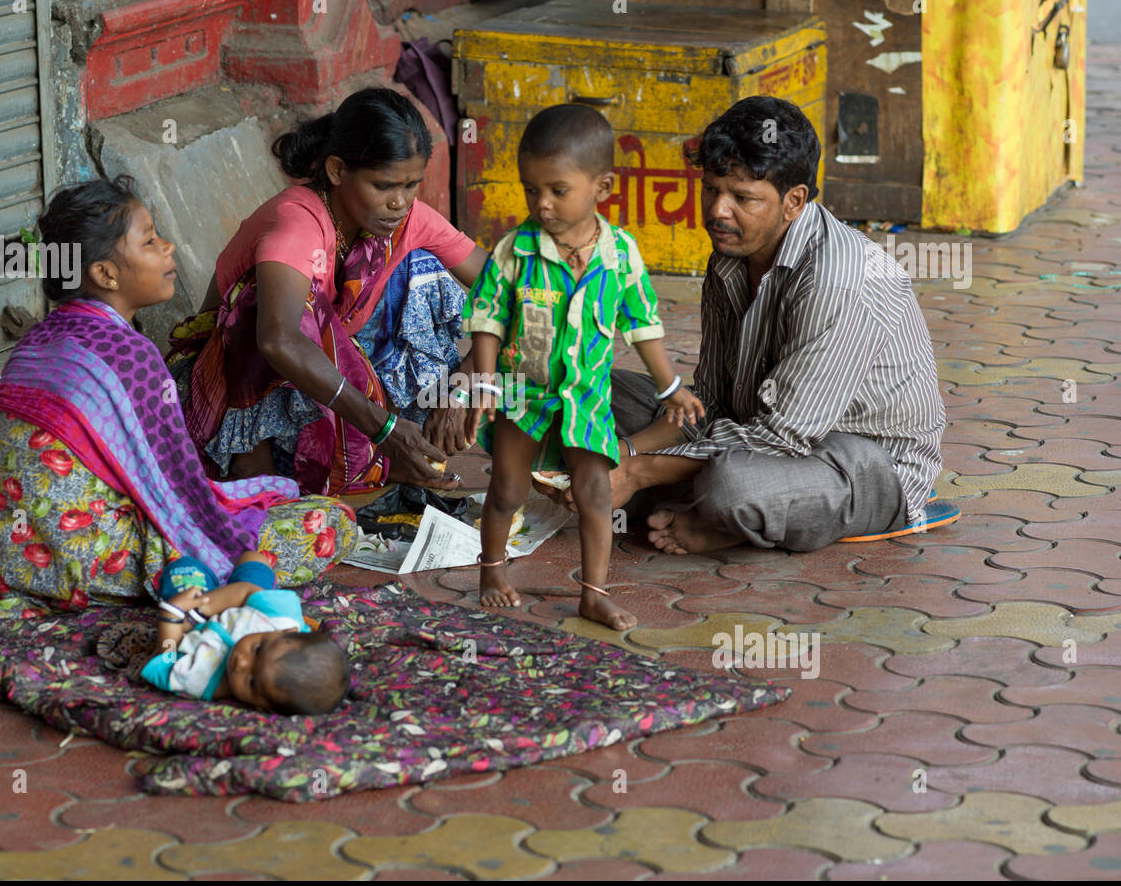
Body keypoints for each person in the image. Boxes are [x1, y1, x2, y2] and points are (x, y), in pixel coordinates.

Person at [0, 177, 360, 630]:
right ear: (107, 275)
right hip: (88, 564)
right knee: (326, 523)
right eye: (151, 241)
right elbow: (176, 493)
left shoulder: (35, 344)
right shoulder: (127, 356)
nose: (169, 248)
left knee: (249, 508)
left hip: (9, 561)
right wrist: (231, 540)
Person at [578, 96, 946, 554]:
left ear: (794, 201)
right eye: (711, 189)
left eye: (743, 198)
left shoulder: (840, 280)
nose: (717, 211)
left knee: (733, 485)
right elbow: (709, 398)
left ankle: (710, 512)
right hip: (751, 426)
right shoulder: (732, 254)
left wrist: (636, 469)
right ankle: (676, 496)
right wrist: (625, 452)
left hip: (858, 463)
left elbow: (785, 435)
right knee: (577, 389)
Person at [168, 87, 489, 495]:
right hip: (235, 384)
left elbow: (506, 293)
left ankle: (378, 453)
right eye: (384, 185)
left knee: (420, 267)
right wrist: (383, 428)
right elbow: (278, 340)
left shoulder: (406, 219)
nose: (400, 202)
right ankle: (257, 469)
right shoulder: (297, 222)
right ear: (337, 171)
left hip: (333, 370)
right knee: (273, 303)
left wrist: (463, 386)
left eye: (411, 186)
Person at [464, 105, 703, 631]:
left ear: (602, 186)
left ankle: (594, 594)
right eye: (531, 190)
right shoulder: (514, 250)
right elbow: (486, 318)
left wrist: (672, 389)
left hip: (585, 402)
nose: (542, 204)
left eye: (557, 190)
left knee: (595, 494)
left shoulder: (621, 255)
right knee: (506, 489)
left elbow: (644, 327)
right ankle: (493, 573)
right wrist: (482, 382)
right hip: (521, 398)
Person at [135, 551, 349, 714]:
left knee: (182, 568)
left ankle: (200, 580)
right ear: (286, 631)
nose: (241, 663)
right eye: (257, 650)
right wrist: (200, 611)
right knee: (252, 559)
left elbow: (166, 659)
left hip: (190, 625)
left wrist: (172, 618)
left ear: (261, 706)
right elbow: (246, 590)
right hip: (236, 603)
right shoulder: (280, 618)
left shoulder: (202, 681)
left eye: (252, 682)